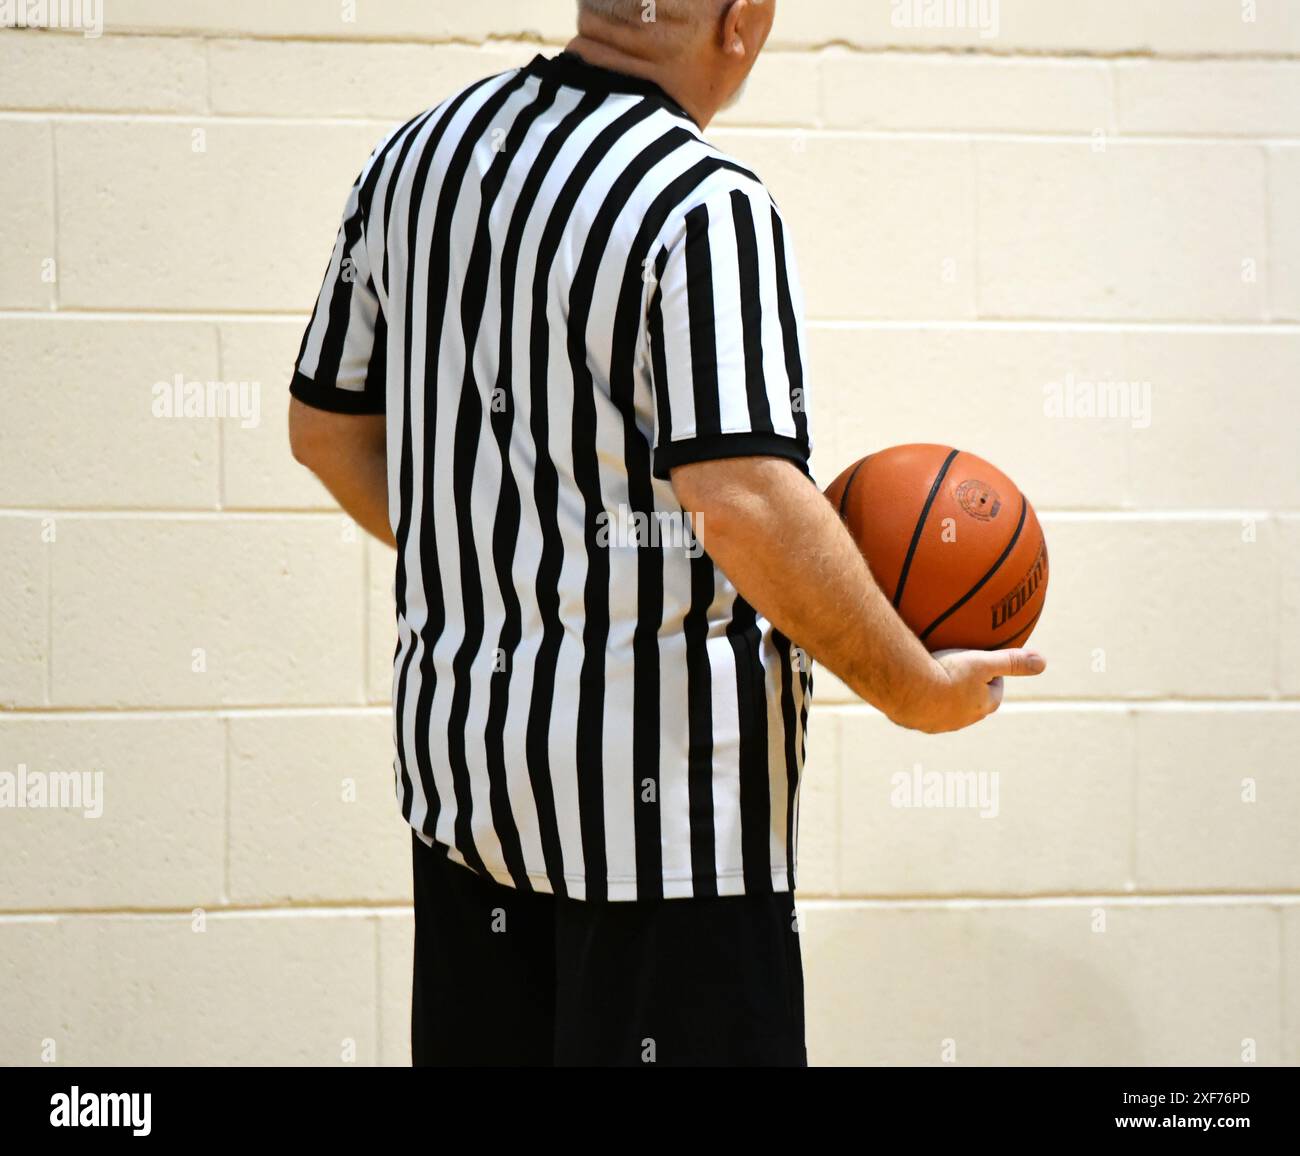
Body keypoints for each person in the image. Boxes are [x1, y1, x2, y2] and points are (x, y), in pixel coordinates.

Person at [288, 0, 1046, 1067]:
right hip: (671, 845)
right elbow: (741, 503)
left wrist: (508, 559)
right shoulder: (703, 202)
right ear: (743, 20)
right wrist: (913, 689)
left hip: (464, 809)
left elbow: (323, 432)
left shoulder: (412, 162)